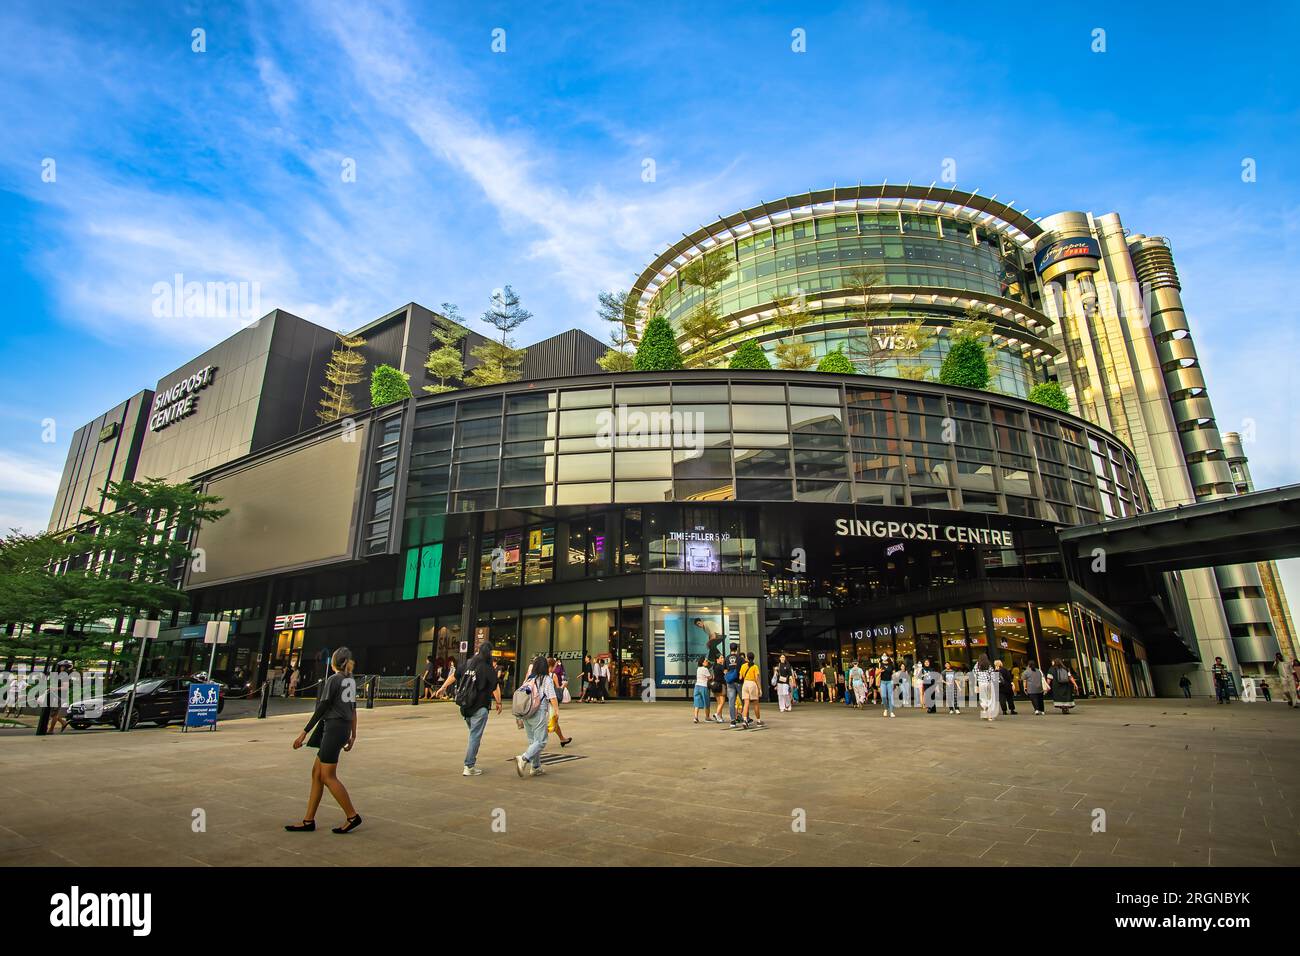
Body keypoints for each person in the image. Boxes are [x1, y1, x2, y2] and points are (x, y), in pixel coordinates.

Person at [286, 647, 361, 834]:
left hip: (334, 728)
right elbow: (353, 710)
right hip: (341, 728)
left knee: (328, 776)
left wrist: (304, 732)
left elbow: (322, 708)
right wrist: (353, 735)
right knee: (316, 773)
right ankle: (308, 820)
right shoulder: (349, 681)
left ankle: (352, 815)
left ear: (334, 661)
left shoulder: (334, 680)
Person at [452, 639, 501, 776]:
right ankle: (469, 766)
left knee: (473, 735)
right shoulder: (487, 667)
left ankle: (470, 763)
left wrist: (443, 688)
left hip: (466, 706)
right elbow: (494, 686)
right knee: (475, 736)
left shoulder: (468, 663)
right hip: (480, 707)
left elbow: (455, 676)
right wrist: (499, 702)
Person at [515, 655, 557, 777]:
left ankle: (536, 767)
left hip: (527, 712)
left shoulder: (529, 679)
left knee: (533, 741)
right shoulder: (546, 679)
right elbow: (552, 697)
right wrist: (556, 711)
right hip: (538, 712)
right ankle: (523, 758)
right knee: (541, 741)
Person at [546, 657, 573, 746]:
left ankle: (562, 739)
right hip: (551, 703)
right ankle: (537, 743)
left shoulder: (540, 675)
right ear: (552, 666)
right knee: (551, 722)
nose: (556, 668)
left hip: (543, 702)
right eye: (555, 666)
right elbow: (557, 689)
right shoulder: (552, 675)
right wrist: (564, 686)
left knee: (553, 722)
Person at [739, 652, 763, 728]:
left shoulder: (743, 666)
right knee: (756, 703)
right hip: (752, 684)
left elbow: (740, 677)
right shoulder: (755, 667)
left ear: (746, 658)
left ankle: (745, 720)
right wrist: (759, 688)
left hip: (745, 684)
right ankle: (758, 721)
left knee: (746, 703)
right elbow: (757, 678)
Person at [723, 642, 745, 725]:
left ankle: (732, 720)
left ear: (730, 649)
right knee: (743, 700)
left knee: (731, 702)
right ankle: (745, 718)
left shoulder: (726, 658)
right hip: (739, 682)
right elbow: (743, 670)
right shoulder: (740, 659)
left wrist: (729, 676)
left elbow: (724, 670)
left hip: (730, 683)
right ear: (737, 649)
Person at [973, 654, 997, 722]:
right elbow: (992, 675)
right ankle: (989, 716)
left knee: (983, 698)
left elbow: (974, 674)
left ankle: (984, 711)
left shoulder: (977, 665)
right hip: (988, 683)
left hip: (981, 683)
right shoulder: (989, 665)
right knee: (990, 699)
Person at [692, 656, 712, 723]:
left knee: (697, 702)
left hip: (697, 686)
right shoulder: (705, 669)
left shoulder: (698, 669)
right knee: (706, 702)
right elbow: (710, 677)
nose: (707, 662)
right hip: (703, 686)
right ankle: (707, 717)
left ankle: (695, 717)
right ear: (702, 662)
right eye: (706, 661)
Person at [878, 654, 896, 718]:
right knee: (883, 696)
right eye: (883, 655)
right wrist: (880, 671)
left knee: (890, 697)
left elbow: (894, 673)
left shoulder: (891, 664)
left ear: (888, 657)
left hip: (890, 682)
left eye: (885, 655)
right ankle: (885, 709)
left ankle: (891, 712)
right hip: (882, 682)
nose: (884, 656)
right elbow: (877, 673)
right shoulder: (880, 663)